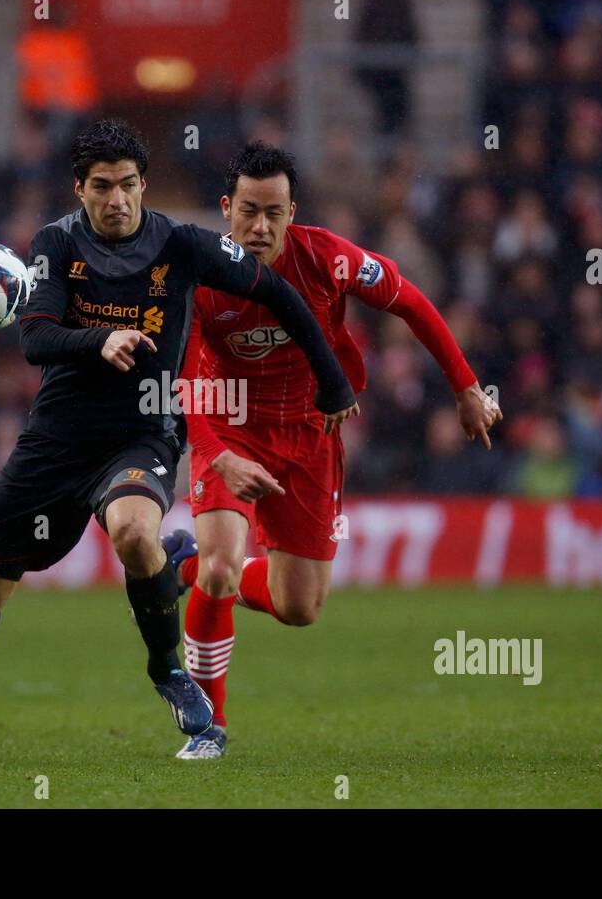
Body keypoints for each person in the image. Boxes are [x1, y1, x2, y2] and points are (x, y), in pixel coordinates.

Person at [0, 120, 358, 764]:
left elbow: (279, 293)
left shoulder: (184, 244)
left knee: (138, 533)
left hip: (143, 432)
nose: (119, 201)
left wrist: (333, 384)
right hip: (57, 440)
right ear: (79, 189)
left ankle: (168, 672)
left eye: (130, 186)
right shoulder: (55, 244)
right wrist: (99, 338)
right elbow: (35, 338)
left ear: (144, 185)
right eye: (104, 187)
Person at [175, 142, 501, 758]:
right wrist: (219, 456)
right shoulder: (199, 278)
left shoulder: (328, 258)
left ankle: (182, 565)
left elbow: (410, 302)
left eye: (274, 212)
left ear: (292, 212)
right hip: (232, 429)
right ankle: (207, 726)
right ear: (225, 209)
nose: (261, 227)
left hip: (310, 434)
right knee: (223, 570)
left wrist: (465, 388)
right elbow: (186, 388)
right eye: (248, 211)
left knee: (300, 606)